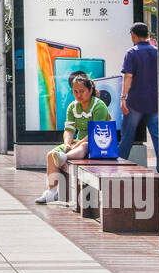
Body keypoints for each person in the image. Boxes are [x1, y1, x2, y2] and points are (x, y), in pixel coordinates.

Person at [36, 72, 110, 204]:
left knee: (83, 146)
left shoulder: (99, 106)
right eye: (75, 91)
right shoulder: (72, 106)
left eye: (82, 91)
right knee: (51, 155)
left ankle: (65, 157)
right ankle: (52, 192)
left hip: (99, 143)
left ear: (90, 90)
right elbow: (69, 130)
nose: (78, 95)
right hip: (78, 144)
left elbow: (95, 133)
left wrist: (76, 145)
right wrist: (67, 144)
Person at [117, 22, 159, 163]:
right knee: (157, 137)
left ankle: (120, 165)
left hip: (135, 102)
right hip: (154, 102)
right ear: (147, 35)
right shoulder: (157, 52)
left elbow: (128, 76)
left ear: (133, 35)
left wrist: (123, 98)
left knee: (127, 136)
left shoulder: (132, 52)